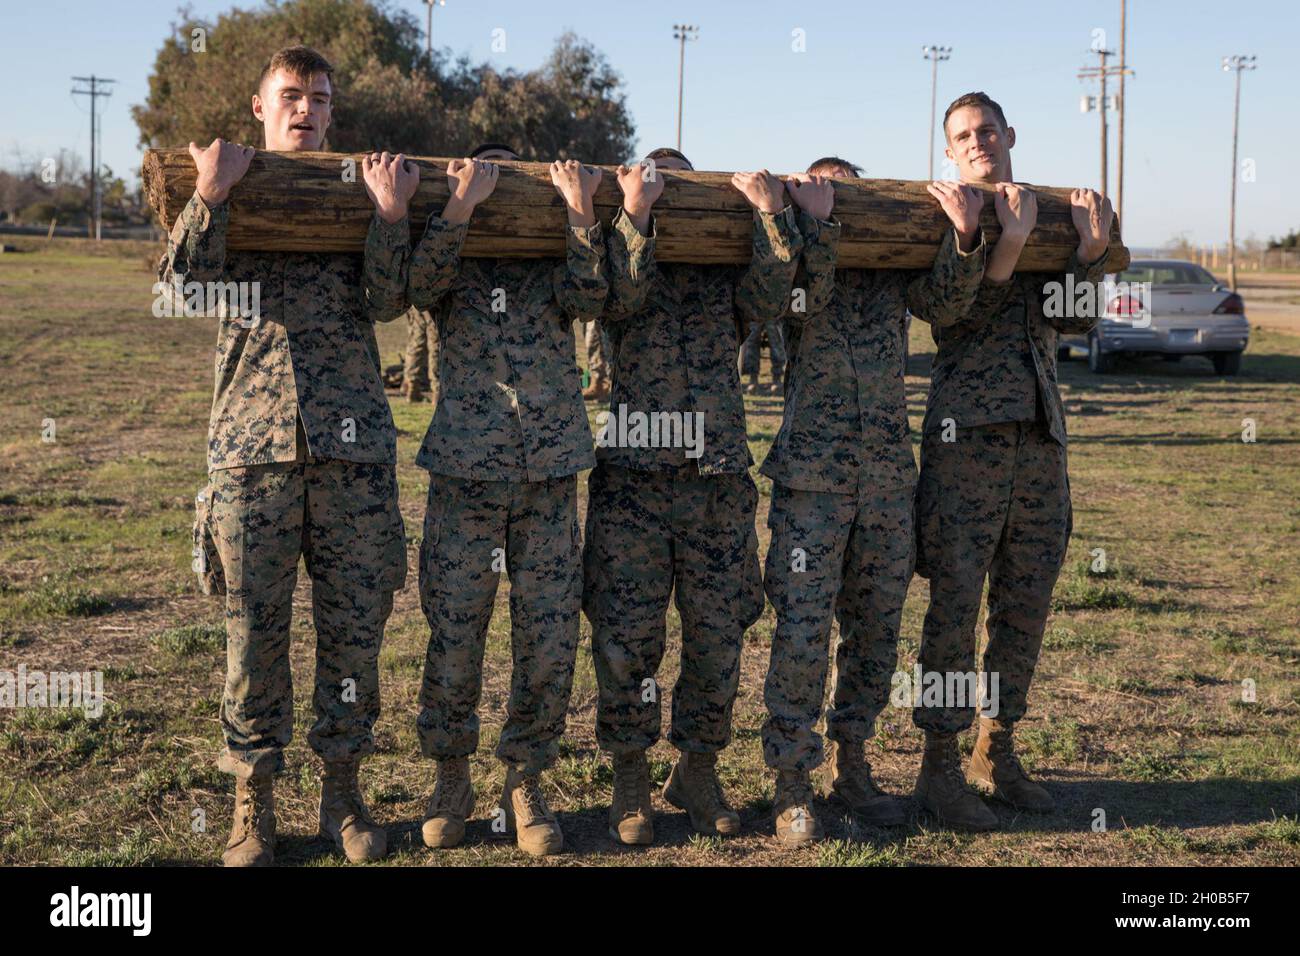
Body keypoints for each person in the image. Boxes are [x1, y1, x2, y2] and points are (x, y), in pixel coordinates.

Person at [162, 45, 415, 865]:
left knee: (353, 637)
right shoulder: (228, 187)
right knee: (252, 637)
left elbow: (387, 301)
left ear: (333, 112)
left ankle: (342, 798)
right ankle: (253, 803)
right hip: (252, 454)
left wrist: (388, 218)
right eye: (291, 95)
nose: (306, 108)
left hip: (352, 457)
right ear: (261, 105)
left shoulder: (358, 191)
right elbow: (180, 292)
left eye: (320, 98)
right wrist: (209, 195)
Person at [760, 156, 988, 845]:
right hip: (813, 481)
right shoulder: (797, 261)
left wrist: (964, 236)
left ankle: (849, 766)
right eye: (825, 189)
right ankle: (793, 783)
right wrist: (816, 228)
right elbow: (790, 303)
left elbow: (946, 304)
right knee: (802, 634)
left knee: (875, 636)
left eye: (848, 190)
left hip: (888, 480)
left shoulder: (894, 266)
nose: (839, 200)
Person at [584, 146, 802, 845]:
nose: (666, 189)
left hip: (716, 480)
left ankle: (698, 769)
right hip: (633, 482)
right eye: (653, 178)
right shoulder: (620, 247)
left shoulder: (722, 262)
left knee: (718, 637)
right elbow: (617, 300)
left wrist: (770, 220)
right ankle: (630, 777)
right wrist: (636, 217)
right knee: (627, 641)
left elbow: (769, 301)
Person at [397, 144, 608, 857]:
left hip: (550, 474)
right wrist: (458, 206)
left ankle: (526, 777)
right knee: (455, 635)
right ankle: (449, 778)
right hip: (466, 474)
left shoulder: (554, 254)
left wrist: (578, 212)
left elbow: (593, 299)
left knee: (547, 640)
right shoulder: (452, 255)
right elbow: (414, 286)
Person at [912, 92, 1114, 830]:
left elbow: (1074, 316)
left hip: (1039, 444)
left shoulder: (1045, 215)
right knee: (954, 611)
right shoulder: (933, 214)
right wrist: (987, 243)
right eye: (962, 136)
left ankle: (996, 748)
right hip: (966, 444)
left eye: (987, 131)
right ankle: (938, 764)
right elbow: (947, 314)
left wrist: (1087, 254)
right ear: (947, 151)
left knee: (1024, 605)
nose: (977, 143)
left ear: (1010, 135)